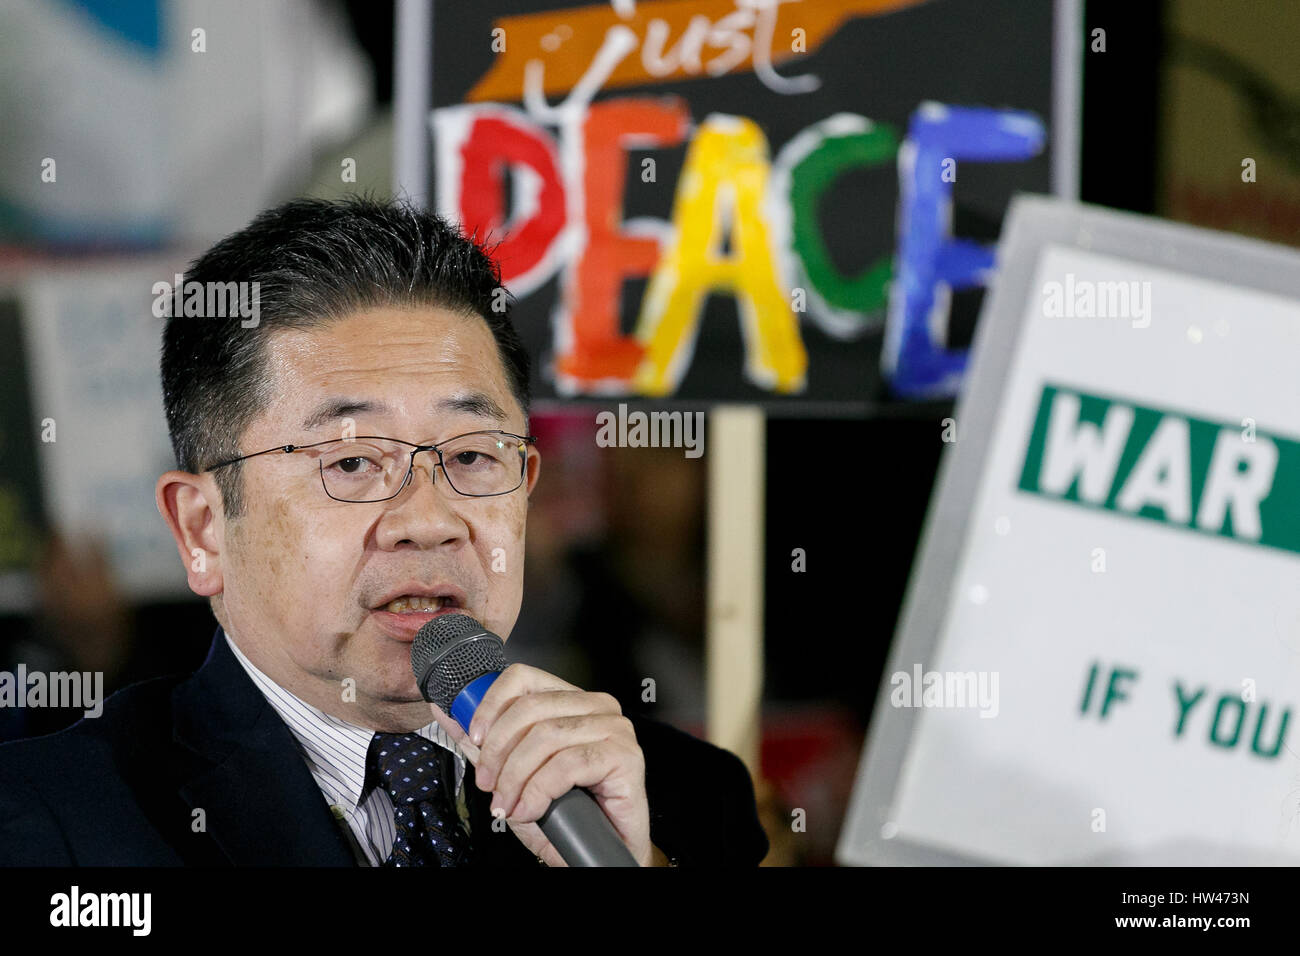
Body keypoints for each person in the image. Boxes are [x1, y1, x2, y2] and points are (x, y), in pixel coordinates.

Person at [0, 197, 768, 867]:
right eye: (354, 463)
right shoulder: (46, 820)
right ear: (203, 528)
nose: (428, 521)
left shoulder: (678, 798)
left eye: (470, 455)